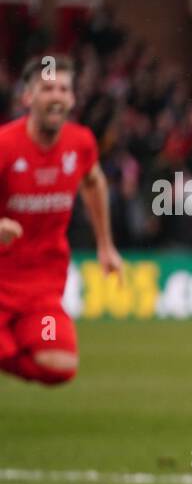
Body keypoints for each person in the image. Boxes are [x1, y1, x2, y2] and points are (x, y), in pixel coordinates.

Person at [0, 55, 121, 386]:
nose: (56, 96)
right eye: (47, 88)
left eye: (63, 89)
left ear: (72, 98)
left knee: (60, 365)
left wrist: (105, 244)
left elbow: (94, 181)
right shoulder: (5, 146)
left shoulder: (80, 143)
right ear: (27, 97)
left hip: (41, 290)